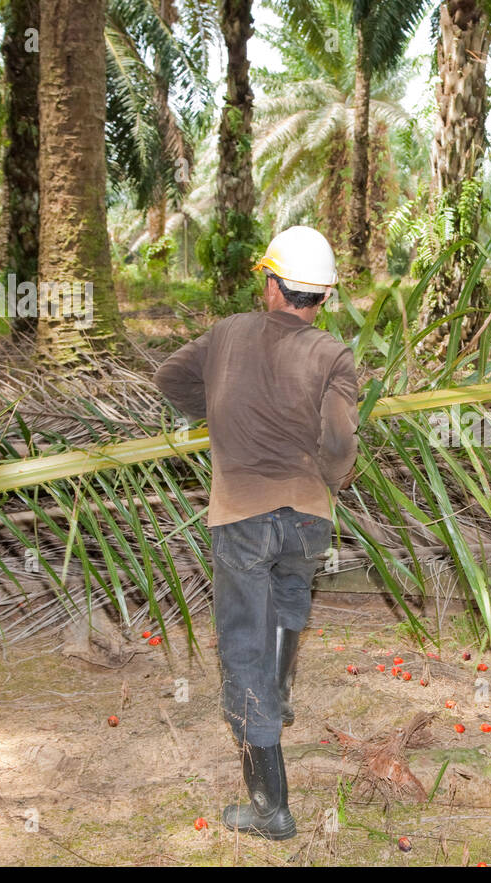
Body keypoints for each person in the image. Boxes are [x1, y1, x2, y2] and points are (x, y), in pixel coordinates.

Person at [154, 225, 358, 840]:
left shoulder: (226, 336)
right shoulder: (333, 354)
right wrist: (325, 479)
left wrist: (219, 405)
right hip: (306, 518)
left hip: (240, 514)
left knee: (243, 644)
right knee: (292, 595)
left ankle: (270, 807)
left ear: (271, 285)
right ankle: (281, 691)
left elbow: (170, 379)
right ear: (321, 298)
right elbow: (341, 442)